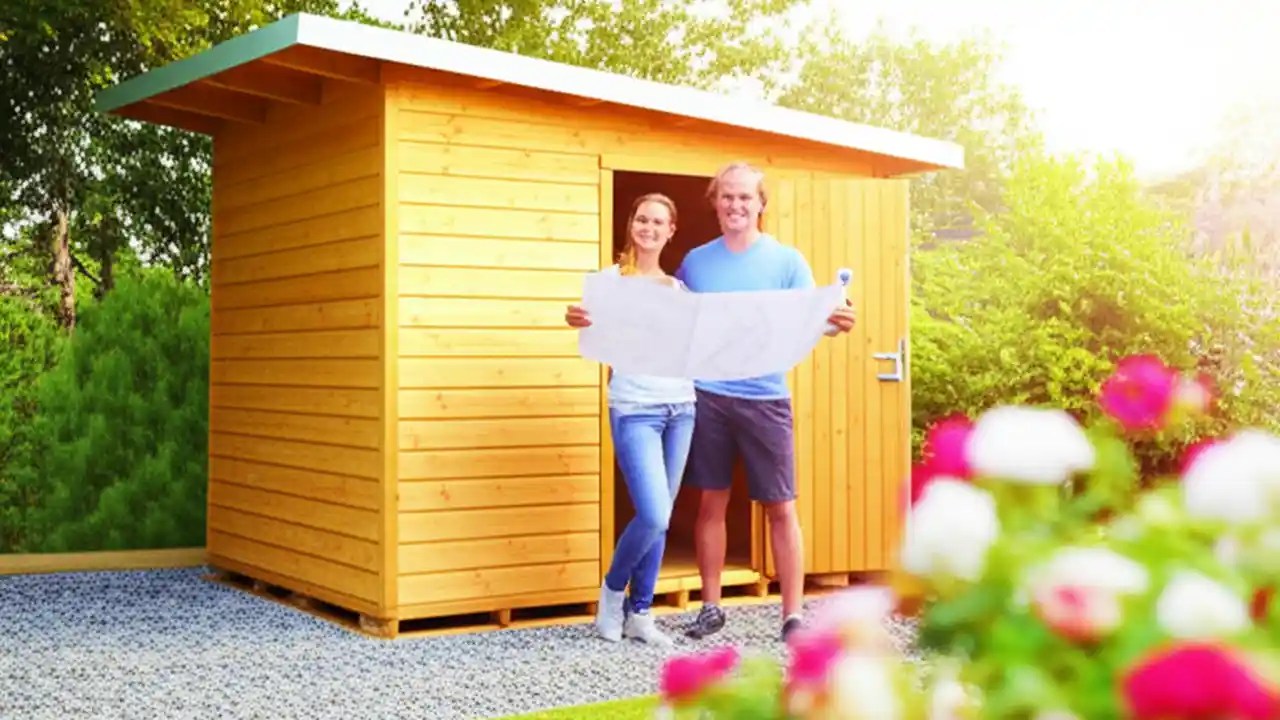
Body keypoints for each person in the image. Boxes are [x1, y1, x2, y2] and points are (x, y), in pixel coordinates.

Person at [674, 161, 856, 642]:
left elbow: (812, 320)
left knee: (781, 506)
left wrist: (834, 322)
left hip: (766, 398)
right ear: (715, 201)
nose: (735, 205)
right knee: (710, 502)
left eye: (745, 197)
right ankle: (710, 608)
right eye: (727, 196)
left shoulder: (787, 261)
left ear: (761, 204)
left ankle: (792, 617)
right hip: (708, 395)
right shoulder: (695, 262)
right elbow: (670, 318)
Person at [564, 192, 696, 648]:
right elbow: (584, 318)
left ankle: (641, 614)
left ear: (671, 230)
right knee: (655, 513)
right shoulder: (609, 280)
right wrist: (575, 317)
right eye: (643, 219)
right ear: (632, 224)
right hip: (634, 407)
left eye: (659, 221)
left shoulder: (679, 291)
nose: (650, 228)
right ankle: (611, 593)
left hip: (682, 406)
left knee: (659, 519)